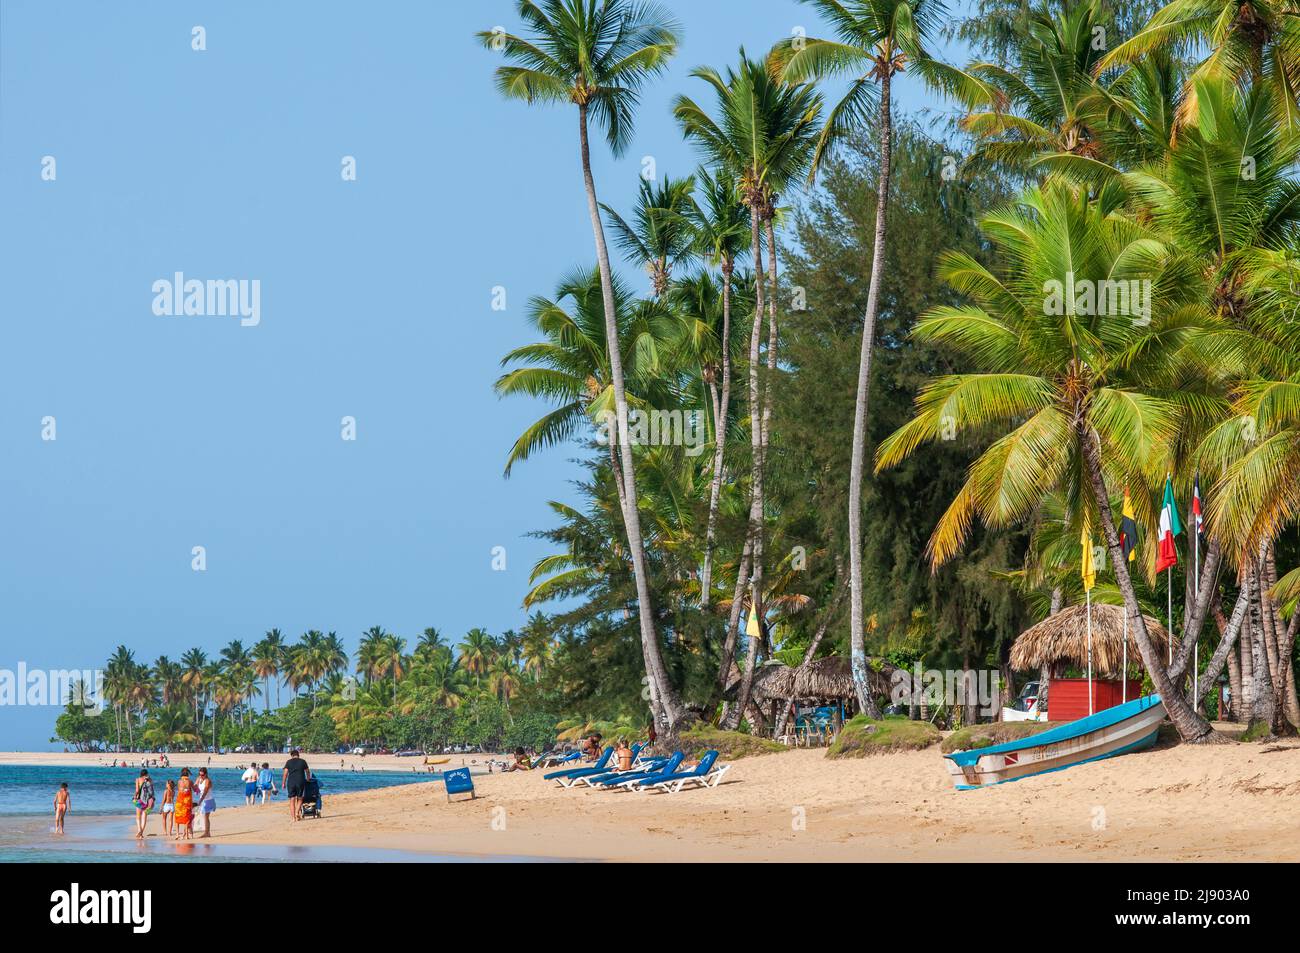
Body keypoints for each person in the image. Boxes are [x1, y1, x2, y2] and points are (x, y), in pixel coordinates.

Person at [283, 749, 311, 821]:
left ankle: (293, 818)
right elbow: (307, 771)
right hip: (300, 781)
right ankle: (297, 813)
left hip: (291, 782)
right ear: (298, 755)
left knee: (292, 800)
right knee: (300, 798)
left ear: (292, 755)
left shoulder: (288, 762)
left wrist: (283, 783)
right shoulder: (303, 761)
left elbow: (285, 773)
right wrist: (308, 778)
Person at [133, 769, 155, 839]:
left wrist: (134, 796)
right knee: (144, 816)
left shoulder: (138, 779)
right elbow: (152, 791)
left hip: (140, 800)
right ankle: (141, 833)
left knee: (138, 816)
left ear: (141, 774)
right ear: (147, 774)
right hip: (148, 801)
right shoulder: (150, 780)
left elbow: (137, 790)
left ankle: (139, 830)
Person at [195, 766, 215, 838]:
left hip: (208, 800)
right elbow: (194, 786)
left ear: (206, 774)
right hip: (203, 800)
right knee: (205, 816)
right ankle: (207, 832)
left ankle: (207, 833)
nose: (201, 776)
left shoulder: (208, 781)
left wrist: (200, 801)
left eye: (202, 775)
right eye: (200, 774)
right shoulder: (198, 778)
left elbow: (205, 792)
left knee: (206, 816)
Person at [174, 768, 194, 840]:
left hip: (179, 801)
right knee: (187, 818)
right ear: (188, 774)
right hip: (187, 801)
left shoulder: (179, 781)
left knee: (178, 817)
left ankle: (177, 834)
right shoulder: (190, 781)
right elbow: (194, 789)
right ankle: (186, 835)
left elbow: (179, 789)